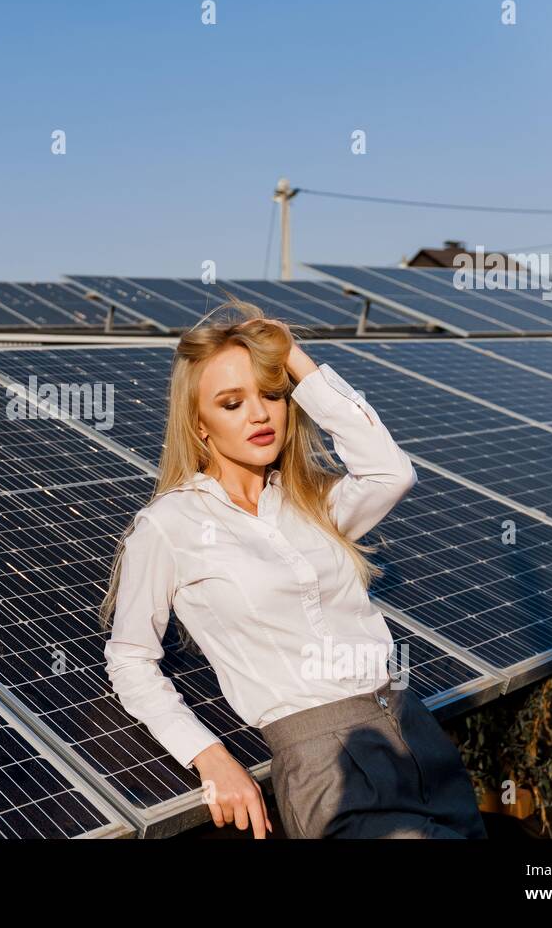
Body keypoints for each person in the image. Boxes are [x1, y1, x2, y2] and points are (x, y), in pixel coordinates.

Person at [99, 299, 487, 839]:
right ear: (199, 424)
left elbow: (390, 472)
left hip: (413, 730)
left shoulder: (313, 503)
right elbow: (130, 658)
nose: (260, 414)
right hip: (327, 762)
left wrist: (295, 359)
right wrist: (210, 757)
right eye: (232, 403)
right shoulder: (169, 525)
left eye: (272, 394)